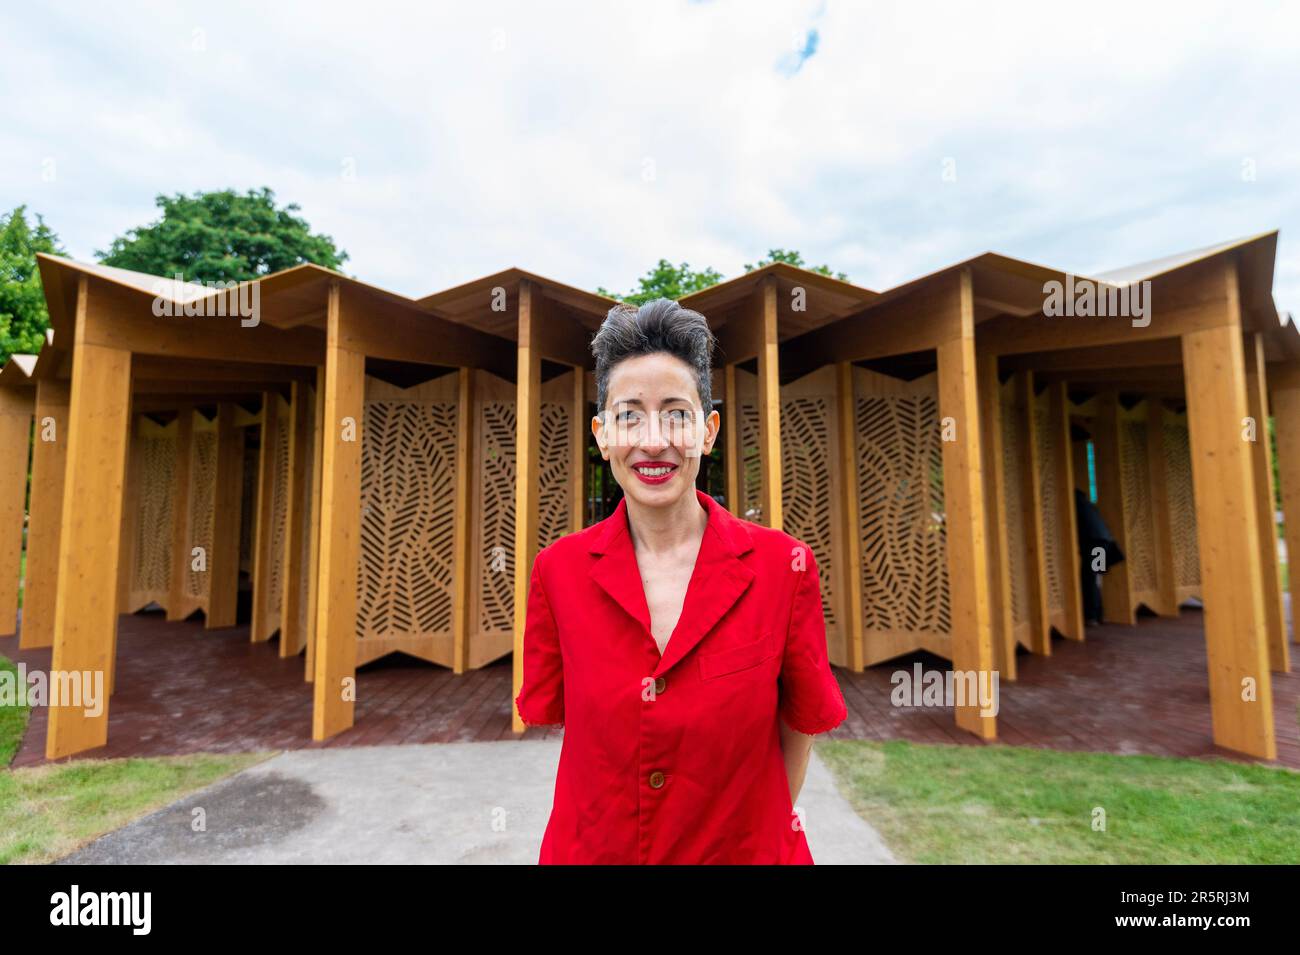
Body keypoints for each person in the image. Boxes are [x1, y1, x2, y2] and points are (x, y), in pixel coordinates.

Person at [515, 298, 848, 864]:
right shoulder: (558, 571)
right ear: (601, 436)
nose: (653, 440)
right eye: (628, 415)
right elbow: (561, 719)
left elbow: (800, 723)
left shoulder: (782, 566)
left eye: (676, 412)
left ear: (708, 431)